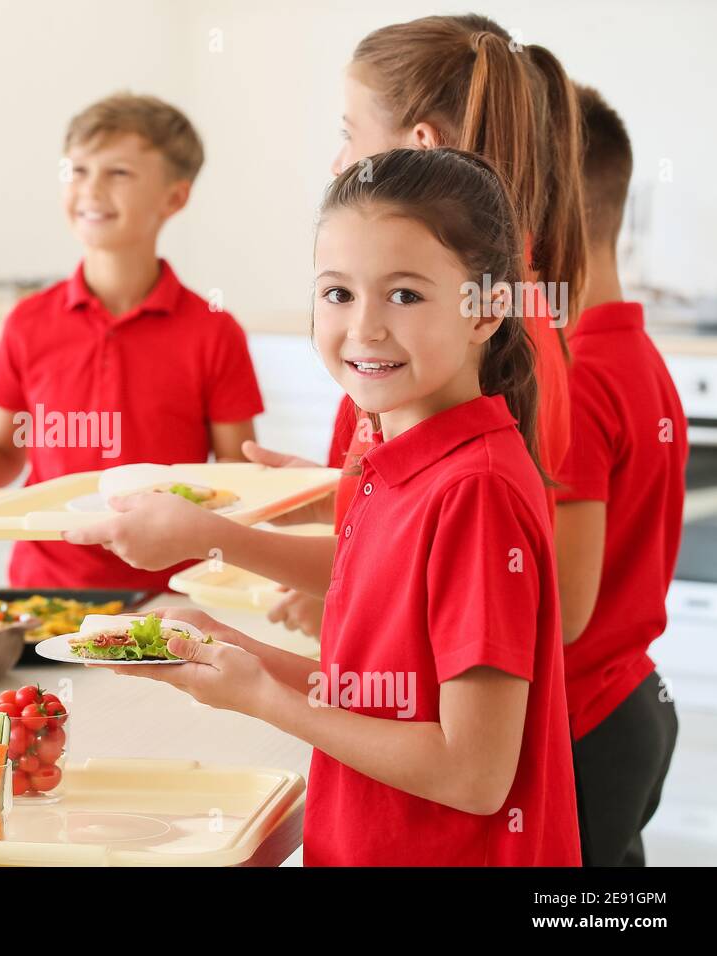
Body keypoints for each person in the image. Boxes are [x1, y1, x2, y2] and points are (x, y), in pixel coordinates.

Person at [102, 149, 580, 865]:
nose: (366, 328)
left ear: (487, 312)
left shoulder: (475, 493)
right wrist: (234, 656)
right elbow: (373, 696)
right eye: (337, 294)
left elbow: (473, 774)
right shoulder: (386, 464)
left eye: (406, 295)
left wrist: (262, 699)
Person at [67, 16, 586, 635]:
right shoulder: (426, 356)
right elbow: (412, 529)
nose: (364, 328)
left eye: (348, 132)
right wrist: (327, 497)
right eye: (337, 293)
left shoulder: (476, 376)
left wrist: (222, 543)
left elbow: (462, 577)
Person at [0, 92, 264, 592]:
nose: (91, 189)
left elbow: (236, 474)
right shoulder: (28, 322)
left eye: (118, 173)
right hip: (42, 586)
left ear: (174, 198)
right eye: (78, 170)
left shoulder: (214, 331)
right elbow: (4, 449)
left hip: (169, 592)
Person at [554, 85, 685, 866]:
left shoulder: (573, 378)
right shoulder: (632, 353)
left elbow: (565, 611)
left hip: (583, 724)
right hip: (631, 698)